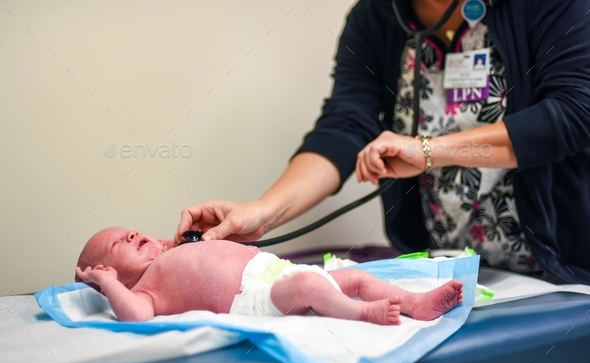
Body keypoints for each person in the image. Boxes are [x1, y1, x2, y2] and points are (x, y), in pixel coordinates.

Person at [176, 0, 590, 286]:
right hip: (454, 273)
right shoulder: (375, 17)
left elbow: (576, 112)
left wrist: (429, 151)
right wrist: (263, 213)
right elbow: (344, 127)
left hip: (567, 270)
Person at [75, 227, 463, 323]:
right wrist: (108, 287)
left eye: (128, 229)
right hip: (258, 297)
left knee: (355, 277)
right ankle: (365, 313)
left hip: (277, 269)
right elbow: (136, 316)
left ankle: (416, 302)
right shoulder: (145, 290)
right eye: (116, 245)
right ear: (111, 275)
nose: (129, 233)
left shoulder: (174, 252)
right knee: (310, 287)